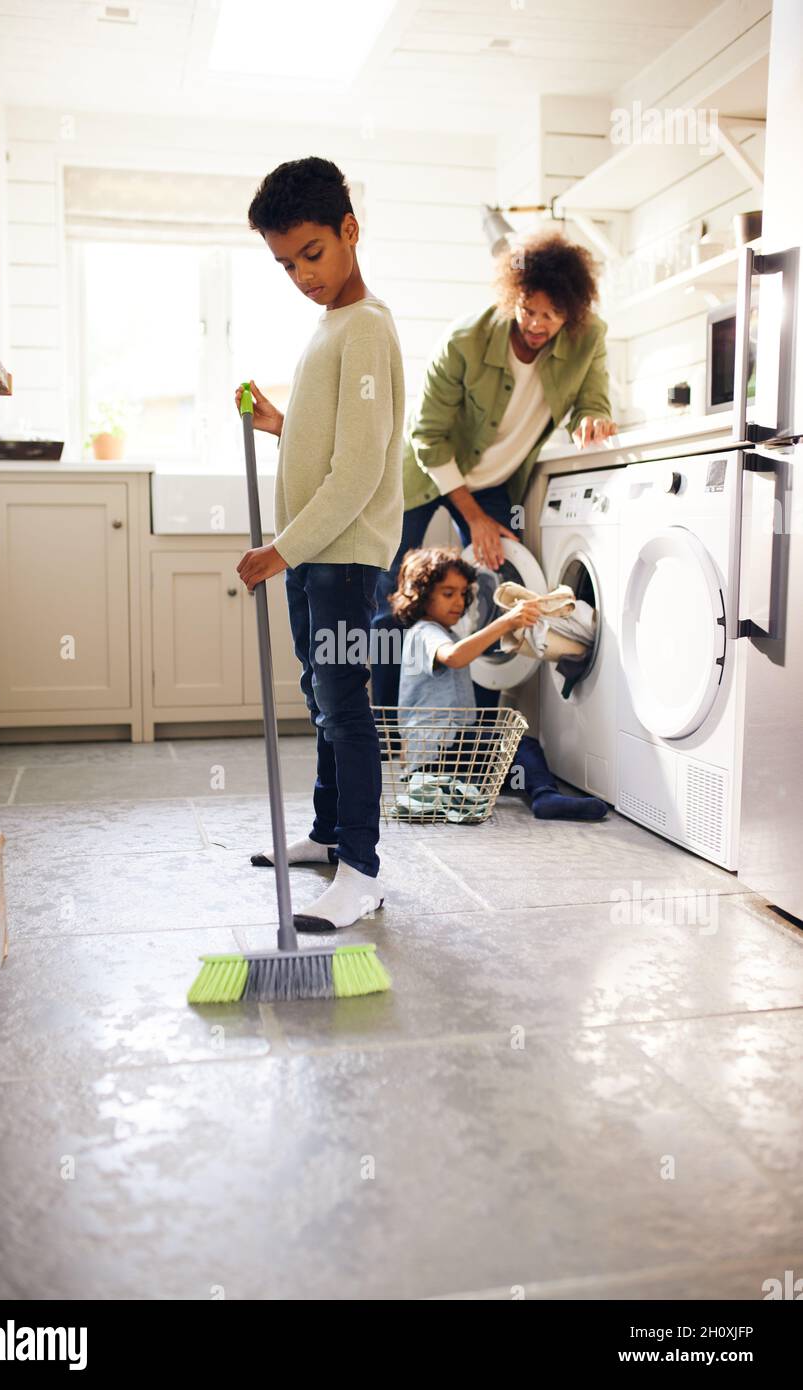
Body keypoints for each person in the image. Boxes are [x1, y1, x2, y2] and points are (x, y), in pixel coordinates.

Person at [234, 156, 405, 931]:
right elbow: (325, 442)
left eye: (311, 254)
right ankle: (328, 834)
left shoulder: (364, 327)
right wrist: (277, 421)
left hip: (339, 557)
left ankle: (361, 872)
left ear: (349, 231)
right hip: (316, 554)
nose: (300, 275)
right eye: (283, 263)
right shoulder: (332, 327)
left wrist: (280, 551)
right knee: (322, 697)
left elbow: (361, 468)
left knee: (343, 705)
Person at [371, 230, 615, 708]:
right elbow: (428, 437)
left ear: (573, 312)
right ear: (513, 297)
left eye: (552, 314)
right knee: (393, 592)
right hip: (423, 472)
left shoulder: (590, 339)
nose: (537, 324)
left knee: (496, 589)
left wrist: (593, 421)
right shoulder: (465, 340)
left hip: (494, 481)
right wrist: (475, 518)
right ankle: (384, 724)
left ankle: (480, 731)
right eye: (528, 309)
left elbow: (592, 402)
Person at [394, 548, 608, 821]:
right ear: (421, 595)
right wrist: (506, 621)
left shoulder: (440, 631)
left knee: (509, 761)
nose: (458, 601)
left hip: (442, 752)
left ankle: (470, 785)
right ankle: (546, 797)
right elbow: (454, 656)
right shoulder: (425, 632)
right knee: (520, 744)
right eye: (448, 593)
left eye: (462, 593)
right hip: (441, 747)